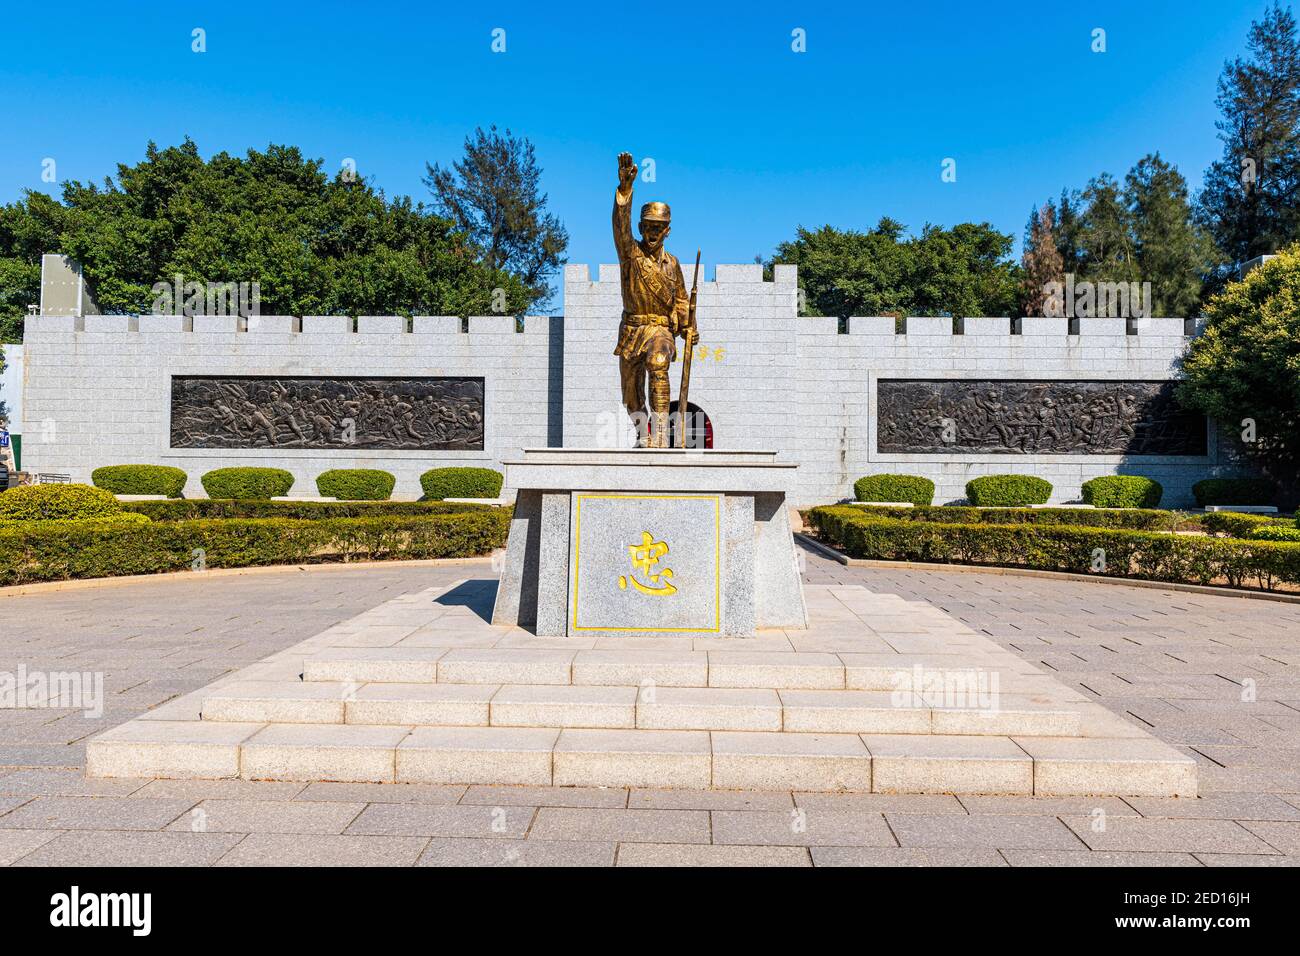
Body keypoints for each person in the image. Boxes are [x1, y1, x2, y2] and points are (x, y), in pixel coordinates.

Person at [612, 151, 699, 447]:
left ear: (668, 230)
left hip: (660, 330)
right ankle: (642, 433)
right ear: (640, 228)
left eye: (658, 227)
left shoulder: (672, 264)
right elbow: (619, 227)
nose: (653, 232)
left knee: (659, 361)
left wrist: (688, 325)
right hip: (632, 330)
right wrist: (624, 190)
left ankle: (661, 433)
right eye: (648, 226)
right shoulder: (630, 254)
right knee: (631, 394)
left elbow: (681, 299)